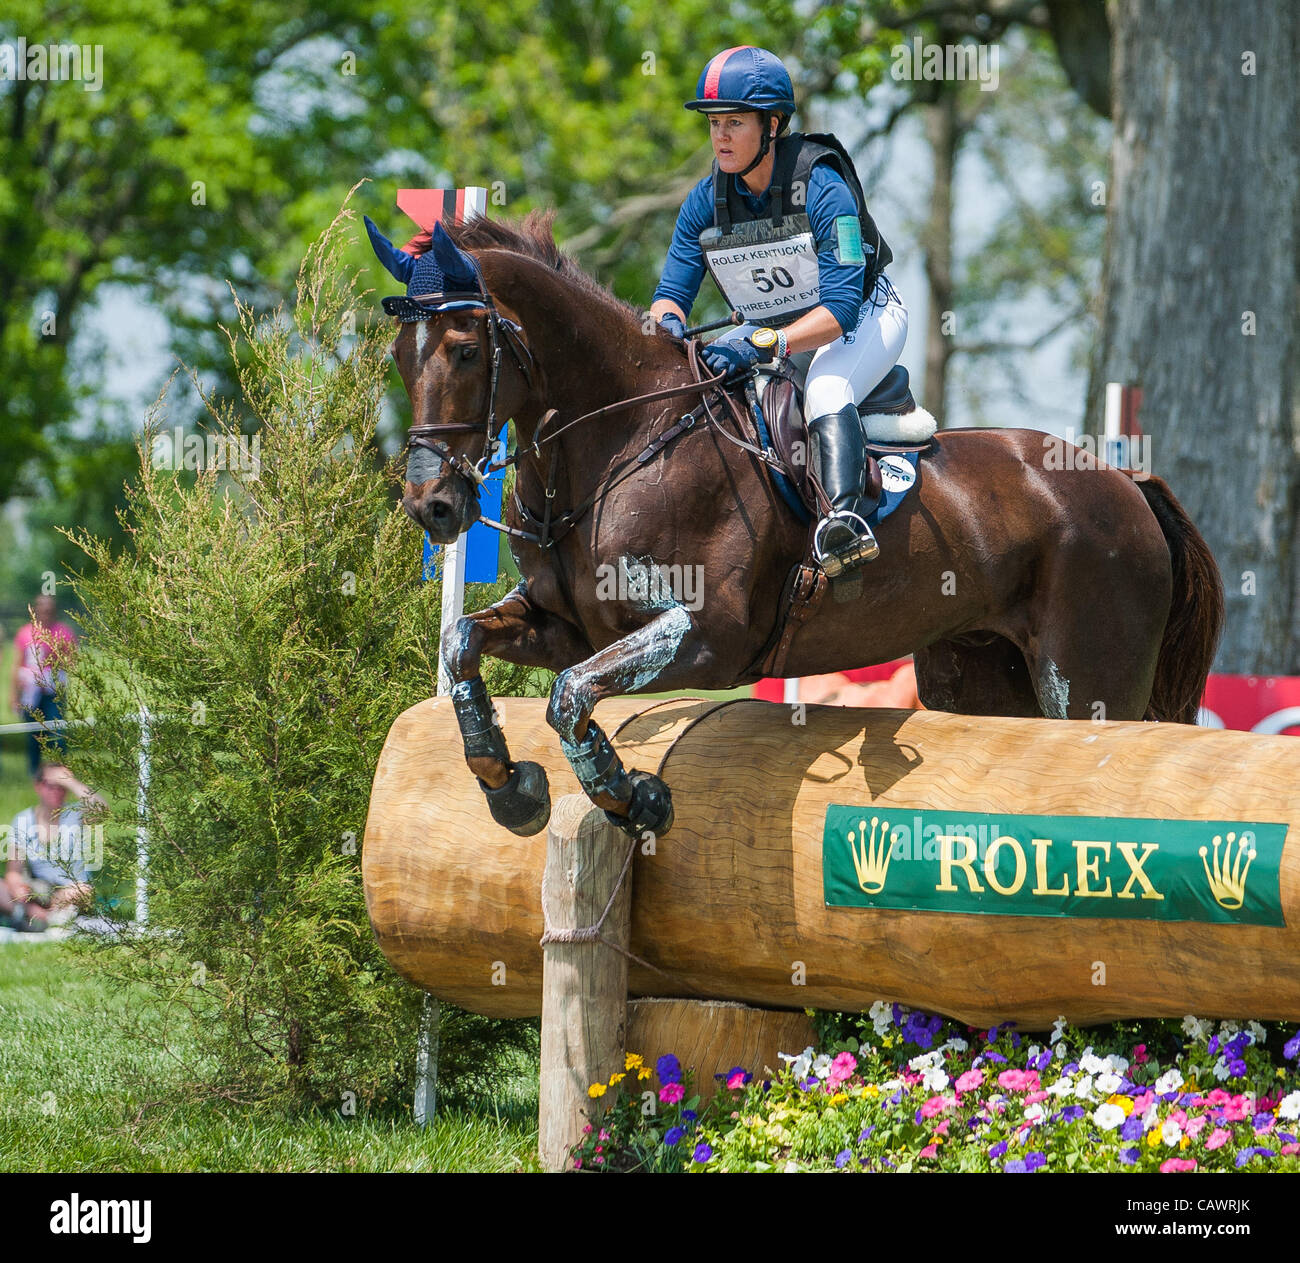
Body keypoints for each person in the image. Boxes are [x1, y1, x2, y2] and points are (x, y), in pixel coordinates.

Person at [650, 45, 908, 575]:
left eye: (734, 123)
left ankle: (845, 523)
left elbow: (839, 308)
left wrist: (766, 342)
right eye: (714, 123)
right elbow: (669, 295)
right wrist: (669, 328)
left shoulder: (824, 188)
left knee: (826, 388)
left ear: (772, 125)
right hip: (770, 328)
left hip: (861, 318)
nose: (719, 136)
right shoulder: (705, 201)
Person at [5, 762, 102, 932]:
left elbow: (102, 810)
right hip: (38, 890)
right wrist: (18, 888)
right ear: (38, 786)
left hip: (71, 889)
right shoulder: (23, 820)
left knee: (83, 891)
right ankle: (40, 917)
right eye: (51, 785)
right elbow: (13, 871)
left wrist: (71, 781)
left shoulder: (75, 815)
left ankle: (36, 919)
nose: (57, 791)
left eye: (62, 787)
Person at [9, 593, 79, 776]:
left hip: (53, 691)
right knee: (34, 735)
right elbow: (17, 665)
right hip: (30, 692)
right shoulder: (25, 633)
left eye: (49, 610)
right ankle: (35, 774)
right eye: (42, 610)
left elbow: (73, 662)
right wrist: (14, 695)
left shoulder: (63, 632)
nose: (46, 613)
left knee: (58, 732)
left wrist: (54, 659)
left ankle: (60, 772)